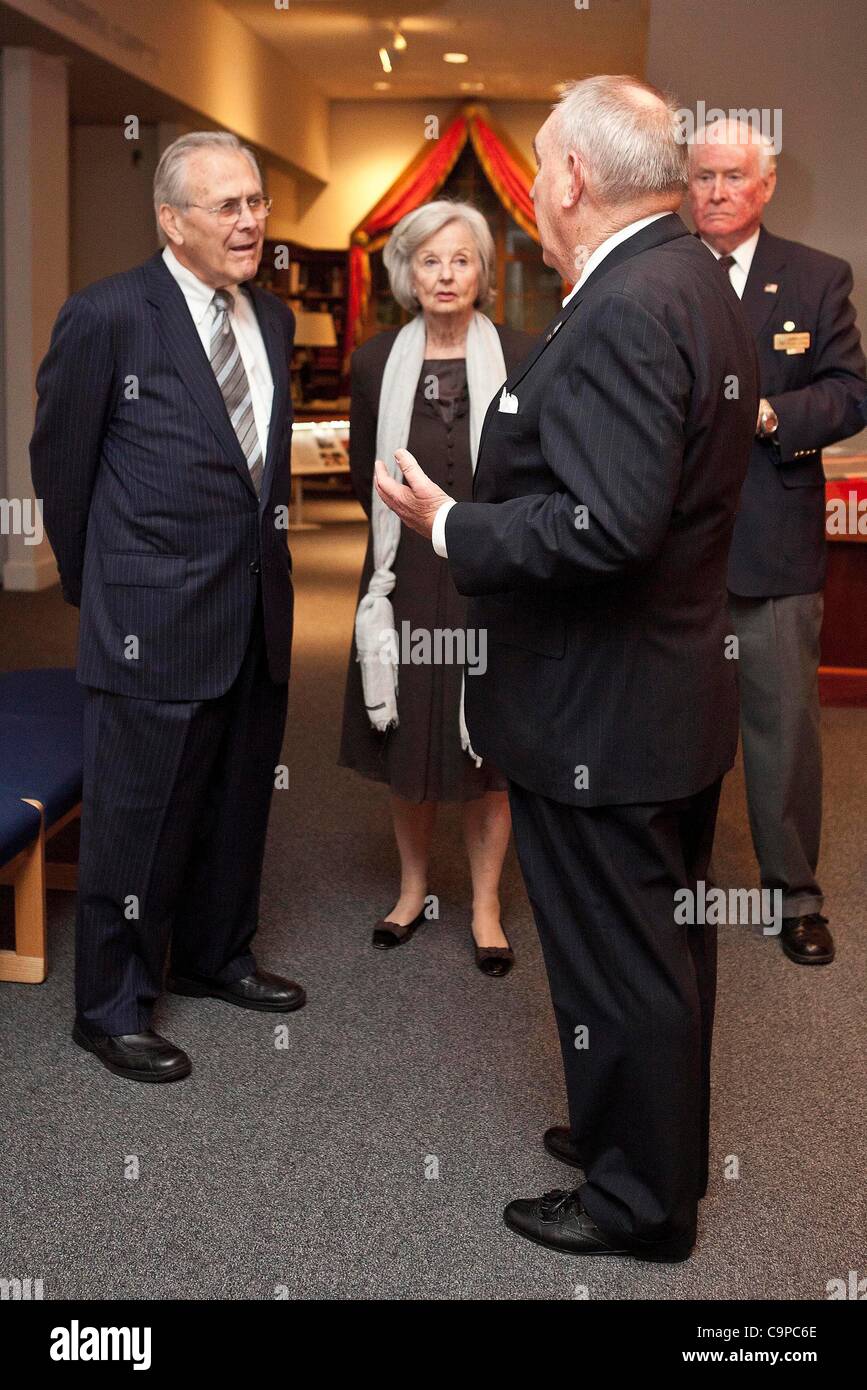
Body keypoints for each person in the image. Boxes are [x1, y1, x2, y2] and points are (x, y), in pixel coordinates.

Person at [374, 76, 758, 1260]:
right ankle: (640, 1145)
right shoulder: (687, 276)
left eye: (538, 164)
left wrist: (452, 527)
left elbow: (607, 527)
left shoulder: (633, 303)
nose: (535, 185)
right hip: (665, 696)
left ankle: (639, 1205)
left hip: (609, 710)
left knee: (623, 966)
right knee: (659, 954)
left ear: (577, 178)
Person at [30, 131, 305, 1085]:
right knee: (136, 819)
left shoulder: (271, 323)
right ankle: (110, 1007)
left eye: (256, 202)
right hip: (152, 619)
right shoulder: (107, 316)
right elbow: (61, 474)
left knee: (235, 802)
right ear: (170, 219)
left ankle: (217, 954)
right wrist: (102, 590)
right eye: (226, 206)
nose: (248, 221)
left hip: (257, 613)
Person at [338, 200, 535, 976]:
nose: (446, 274)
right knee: (410, 741)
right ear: (405, 274)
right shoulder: (372, 360)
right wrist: (412, 534)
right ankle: (412, 890)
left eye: (461, 259)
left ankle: (485, 906)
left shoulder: (523, 355)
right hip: (406, 576)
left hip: (490, 572)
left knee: (488, 749)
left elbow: (531, 470)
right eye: (429, 260)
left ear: (483, 272)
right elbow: (364, 472)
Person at [688, 120, 867, 967]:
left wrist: (768, 415)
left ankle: (793, 896)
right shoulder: (660, 271)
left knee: (783, 731)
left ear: (764, 188)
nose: (716, 192)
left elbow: (847, 393)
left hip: (772, 541)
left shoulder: (815, 277)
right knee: (671, 723)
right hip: (669, 550)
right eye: (701, 177)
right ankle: (672, 883)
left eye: (732, 177)